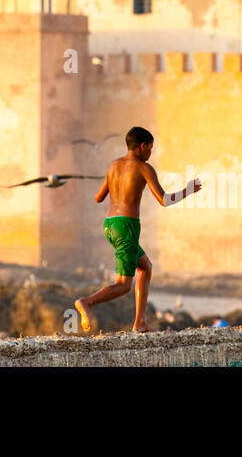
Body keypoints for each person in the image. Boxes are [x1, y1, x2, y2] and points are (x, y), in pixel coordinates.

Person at [74, 126, 203, 333]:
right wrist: (188, 190)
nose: (150, 154)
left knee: (146, 267)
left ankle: (140, 322)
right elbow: (165, 200)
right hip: (126, 226)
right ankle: (86, 302)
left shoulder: (112, 165)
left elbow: (98, 198)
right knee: (124, 285)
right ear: (142, 146)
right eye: (150, 149)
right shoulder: (144, 168)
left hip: (110, 225)